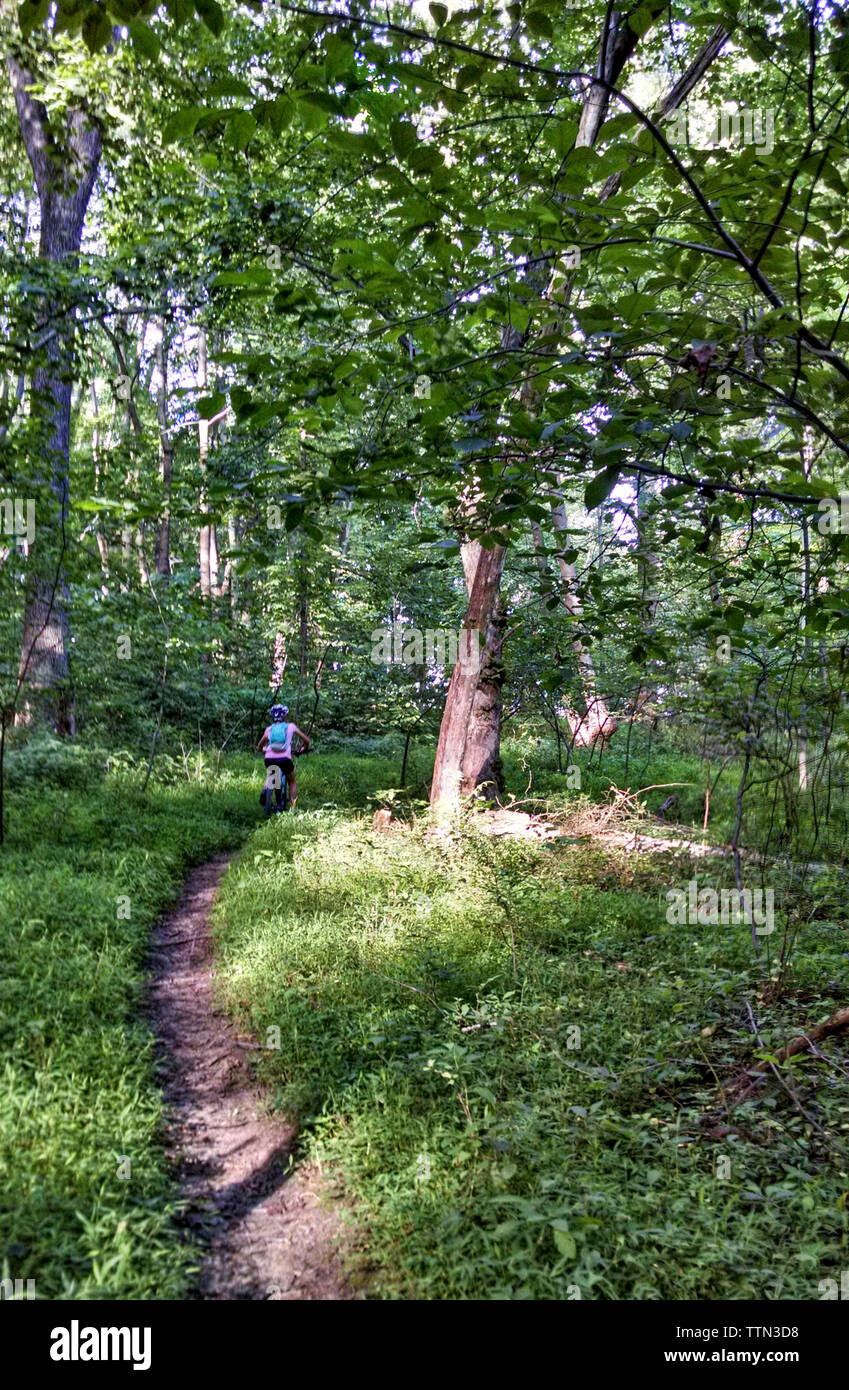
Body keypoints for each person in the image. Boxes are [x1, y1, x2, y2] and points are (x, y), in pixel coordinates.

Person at [256, 704, 310, 811]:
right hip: (284, 759)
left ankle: (265, 789)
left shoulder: (269, 729)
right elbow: (307, 741)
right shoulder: (291, 727)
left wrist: (264, 750)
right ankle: (292, 808)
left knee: (271, 773)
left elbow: (259, 746)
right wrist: (304, 749)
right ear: (285, 716)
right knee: (292, 781)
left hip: (269, 758)